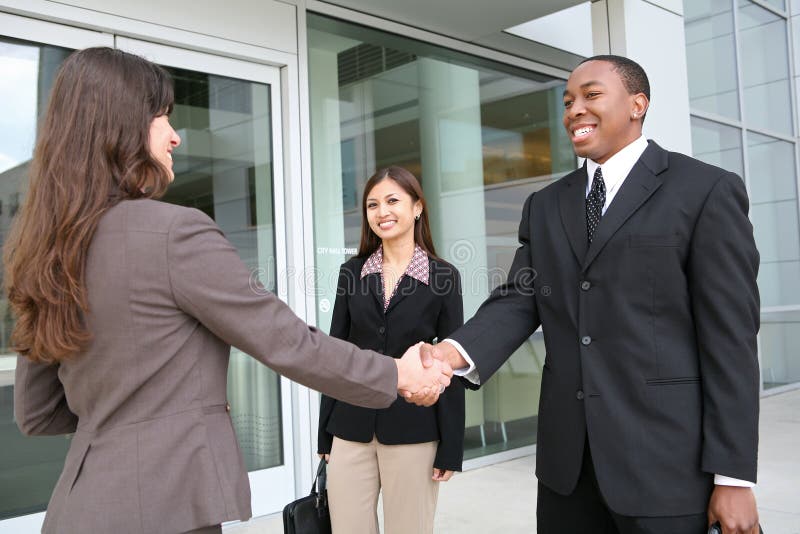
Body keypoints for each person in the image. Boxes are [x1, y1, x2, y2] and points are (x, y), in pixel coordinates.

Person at [4, 47, 449, 534]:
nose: (174, 135)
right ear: (122, 126)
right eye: (161, 116)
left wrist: (123, 419)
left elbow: (37, 413)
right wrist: (397, 373)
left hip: (78, 508)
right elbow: (287, 341)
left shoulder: (49, 247)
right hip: (168, 506)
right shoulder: (174, 233)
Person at [423, 55, 761, 534]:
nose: (574, 110)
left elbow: (731, 340)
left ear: (638, 105)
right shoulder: (545, 204)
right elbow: (520, 299)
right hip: (568, 473)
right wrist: (450, 354)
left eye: (591, 95)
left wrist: (733, 476)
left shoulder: (704, 190)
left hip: (668, 469)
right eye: (567, 101)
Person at [316, 166, 465, 534]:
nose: (382, 212)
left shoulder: (444, 277)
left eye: (392, 201)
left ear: (417, 207)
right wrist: (324, 433)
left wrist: (451, 447)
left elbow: (452, 363)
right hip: (350, 428)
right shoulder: (351, 272)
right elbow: (336, 354)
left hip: (414, 431)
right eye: (372, 204)